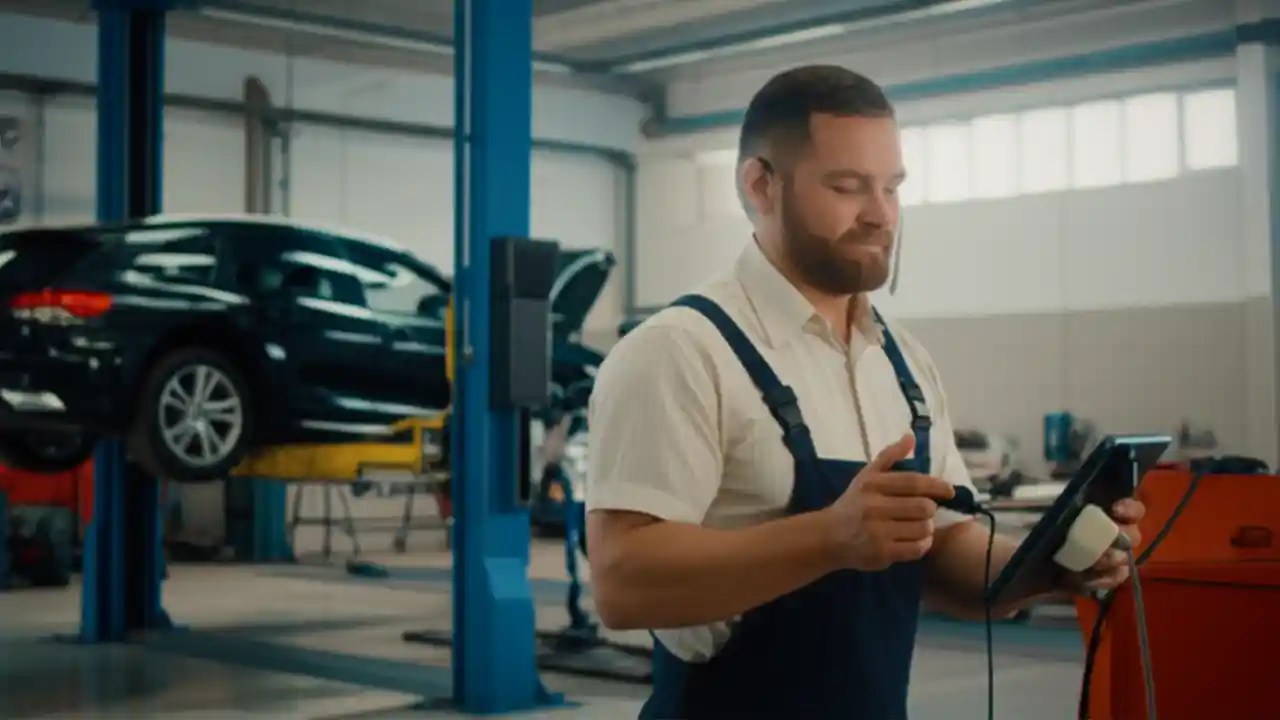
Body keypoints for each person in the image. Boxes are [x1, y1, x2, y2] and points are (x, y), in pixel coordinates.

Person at [585, 65, 1145, 719]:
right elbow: (624, 582)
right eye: (847, 186)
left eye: (892, 187)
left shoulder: (903, 363)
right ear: (761, 185)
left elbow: (946, 550)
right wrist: (830, 537)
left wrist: (1053, 563)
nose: (880, 214)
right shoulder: (680, 351)